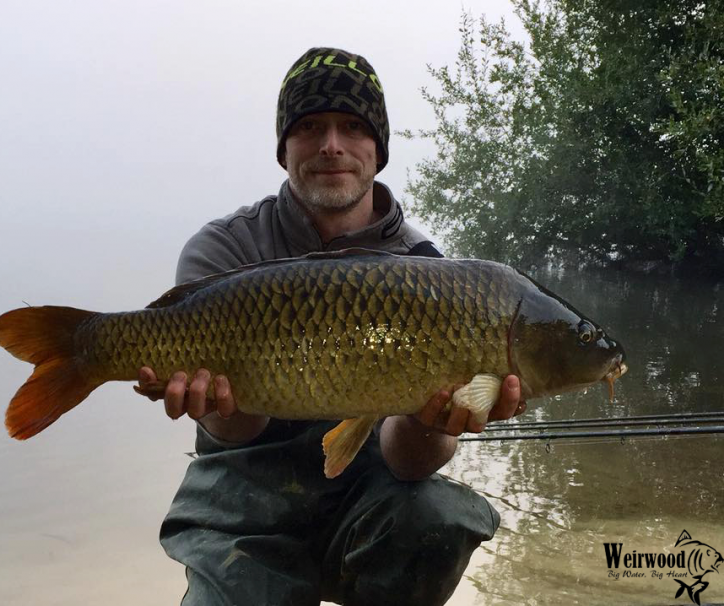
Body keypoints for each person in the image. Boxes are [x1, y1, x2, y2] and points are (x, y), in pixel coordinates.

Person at [136, 47, 525, 606]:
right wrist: (219, 399)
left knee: (437, 516)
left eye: (352, 127)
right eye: (310, 126)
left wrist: (432, 418)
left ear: (378, 148)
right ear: (284, 147)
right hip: (241, 493)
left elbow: (406, 462)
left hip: (369, 495)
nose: (331, 145)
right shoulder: (225, 249)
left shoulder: (431, 271)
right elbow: (233, 434)